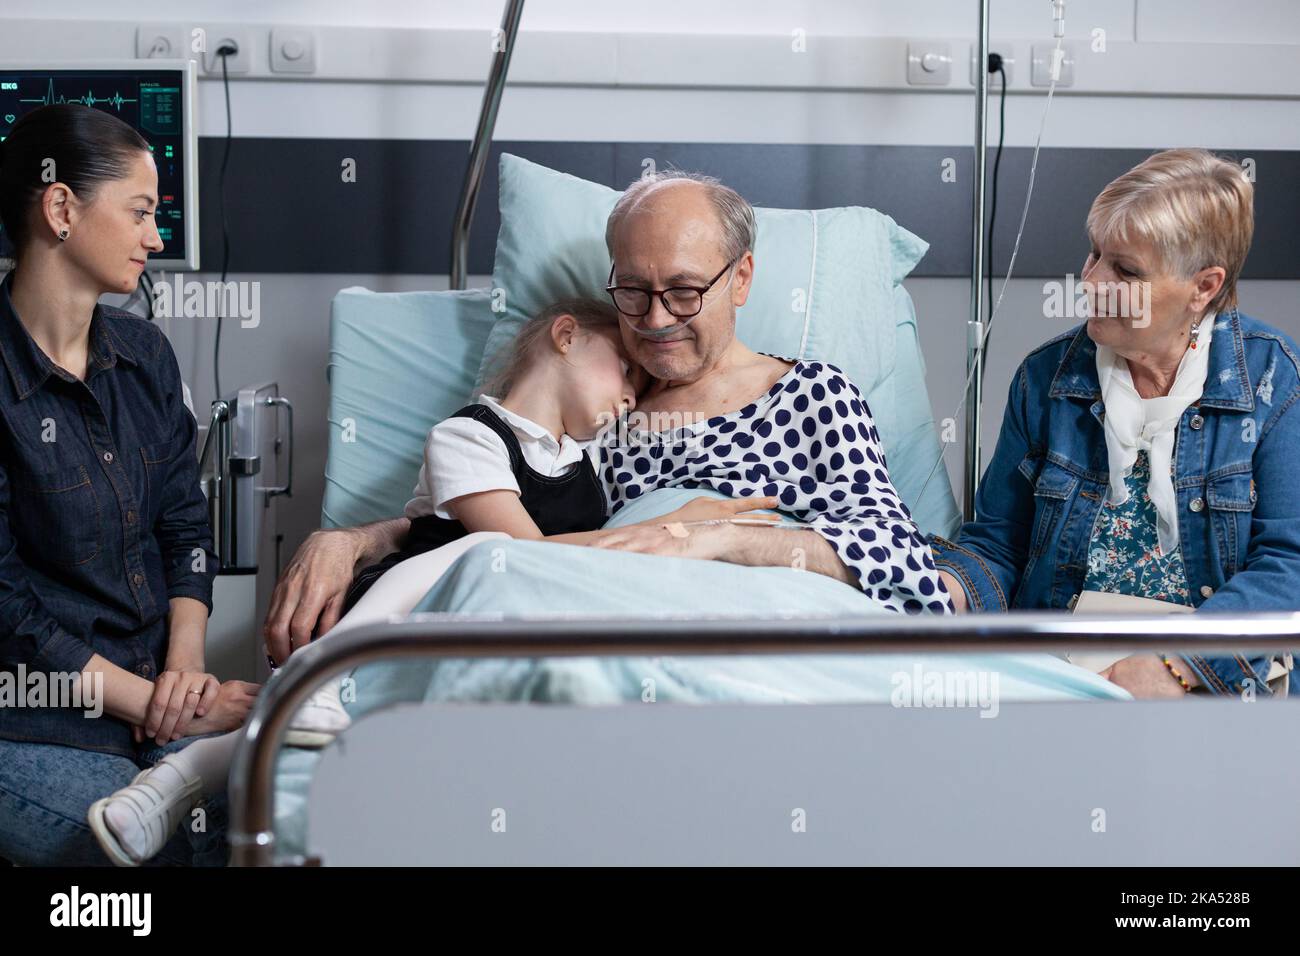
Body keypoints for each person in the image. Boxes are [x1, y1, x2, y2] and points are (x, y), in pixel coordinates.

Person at [87, 295, 778, 865]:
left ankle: (183, 775)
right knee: (480, 556)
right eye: (626, 369)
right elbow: (517, 551)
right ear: (566, 337)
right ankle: (316, 681)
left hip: (489, 628)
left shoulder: (592, 458)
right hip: (407, 607)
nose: (632, 395)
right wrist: (667, 527)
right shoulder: (469, 436)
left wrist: (690, 524)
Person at [262, 169, 954, 661]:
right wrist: (357, 540)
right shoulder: (593, 423)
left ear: (741, 279)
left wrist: (723, 542)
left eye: (684, 292)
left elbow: (908, 571)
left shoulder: (814, 397)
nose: (654, 322)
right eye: (632, 291)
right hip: (599, 640)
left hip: (760, 637)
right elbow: (503, 530)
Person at [930, 148, 1299, 698]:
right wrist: (938, 591)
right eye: (1094, 254)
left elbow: (1287, 568)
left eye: (1125, 270)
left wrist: (1177, 666)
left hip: (1219, 678)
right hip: (1063, 668)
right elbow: (1000, 546)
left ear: (1204, 287)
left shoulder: (1274, 382)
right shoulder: (1046, 378)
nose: (1090, 280)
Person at [0, 104, 256, 866]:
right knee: (165, 859)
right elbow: (7, 610)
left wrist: (183, 671)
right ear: (60, 208)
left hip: (159, 700)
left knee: (273, 821)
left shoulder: (145, 355)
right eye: (142, 212)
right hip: (34, 716)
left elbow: (183, 523)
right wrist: (168, 709)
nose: (157, 237)